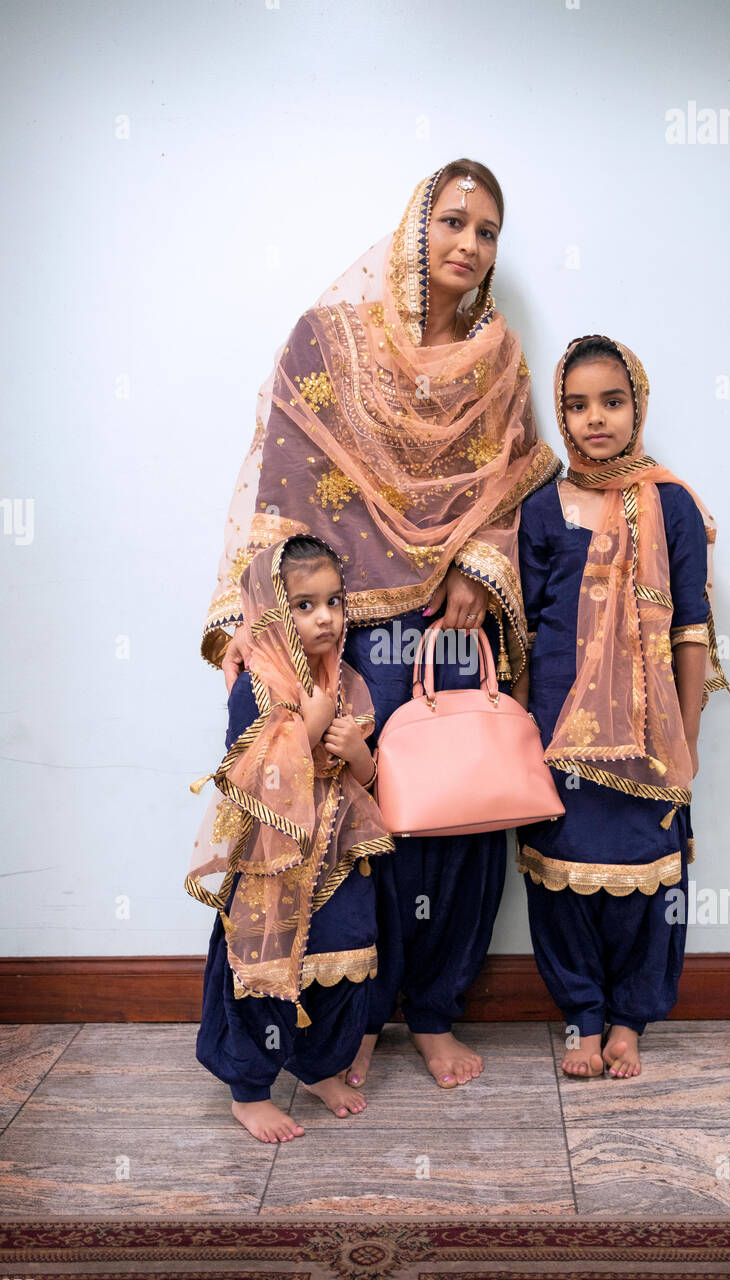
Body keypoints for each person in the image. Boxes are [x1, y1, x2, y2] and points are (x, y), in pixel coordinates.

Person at [198, 161, 560, 1088]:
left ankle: (434, 1014)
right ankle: (348, 1023)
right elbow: (280, 493)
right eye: (451, 222)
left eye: (486, 232)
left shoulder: (500, 361)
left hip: (442, 628)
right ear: (413, 229)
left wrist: (480, 566)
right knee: (346, 830)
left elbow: (515, 481)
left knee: (458, 817)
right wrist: (276, 625)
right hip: (339, 628)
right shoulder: (327, 340)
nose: (467, 245)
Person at [512, 335, 730, 1080]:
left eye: (610, 401)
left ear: (636, 405)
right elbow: (524, 624)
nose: (593, 420)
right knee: (559, 868)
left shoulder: (669, 503)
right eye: (576, 406)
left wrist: (688, 735)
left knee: (648, 866)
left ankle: (629, 1019)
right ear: (561, 414)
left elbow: (689, 626)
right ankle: (581, 1014)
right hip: (557, 716)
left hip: (648, 722)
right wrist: (520, 727)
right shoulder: (542, 505)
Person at [187, 533, 394, 1142]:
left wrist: (358, 753)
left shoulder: (348, 680)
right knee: (264, 967)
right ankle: (249, 1091)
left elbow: (369, 779)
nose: (325, 617)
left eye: (333, 601)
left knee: (345, 955)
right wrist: (308, 727)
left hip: (336, 853)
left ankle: (319, 1065)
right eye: (304, 605)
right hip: (271, 863)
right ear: (273, 611)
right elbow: (246, 775)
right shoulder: (256, 683)